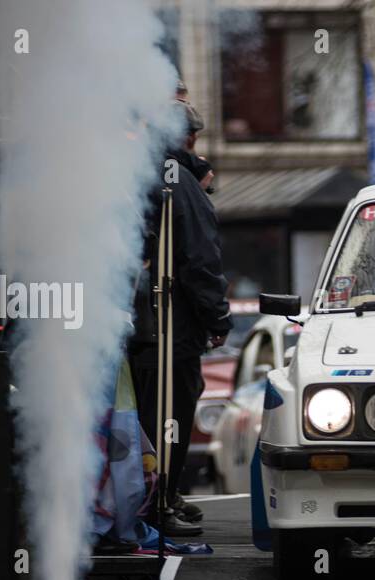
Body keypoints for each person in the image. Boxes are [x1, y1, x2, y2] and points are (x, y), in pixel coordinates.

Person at [128, 101, 232, 537]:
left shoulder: (136, 175)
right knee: (168, 414)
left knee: (147, 415)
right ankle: (158, 500)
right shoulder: (179, 183)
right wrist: (218, 315)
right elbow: (198, 259)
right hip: (171, 327)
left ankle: (158, 495)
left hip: (142, 325)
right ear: (186, 138)